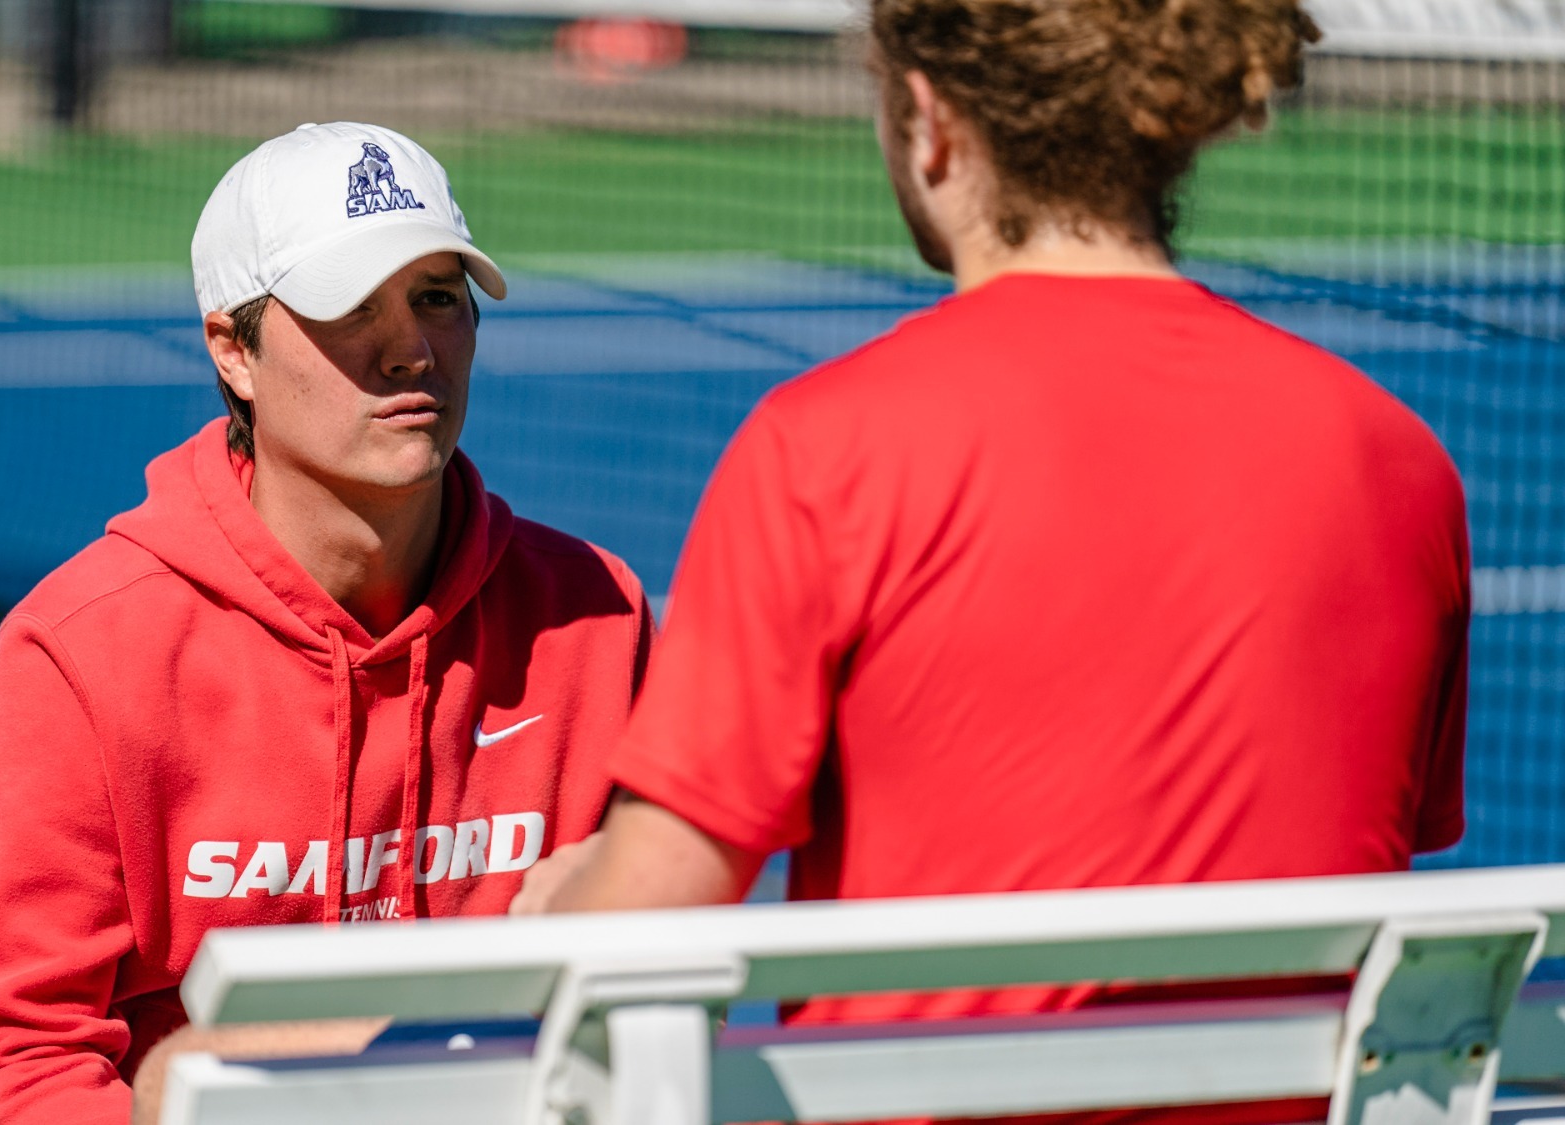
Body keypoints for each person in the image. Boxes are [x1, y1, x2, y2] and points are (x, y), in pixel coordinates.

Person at [515, 0, 1467, 1114]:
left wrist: (562, 900)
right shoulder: (1397, 458)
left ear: (928, 119)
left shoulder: (824, 449)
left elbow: (650, 916)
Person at [0, 121, 654, 1125]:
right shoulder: (86, 649)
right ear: (234, 351)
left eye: (438, 296)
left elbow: (659, 1000)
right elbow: (9, 1057)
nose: (411, 348)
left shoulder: (595, 617)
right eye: (350, 306)